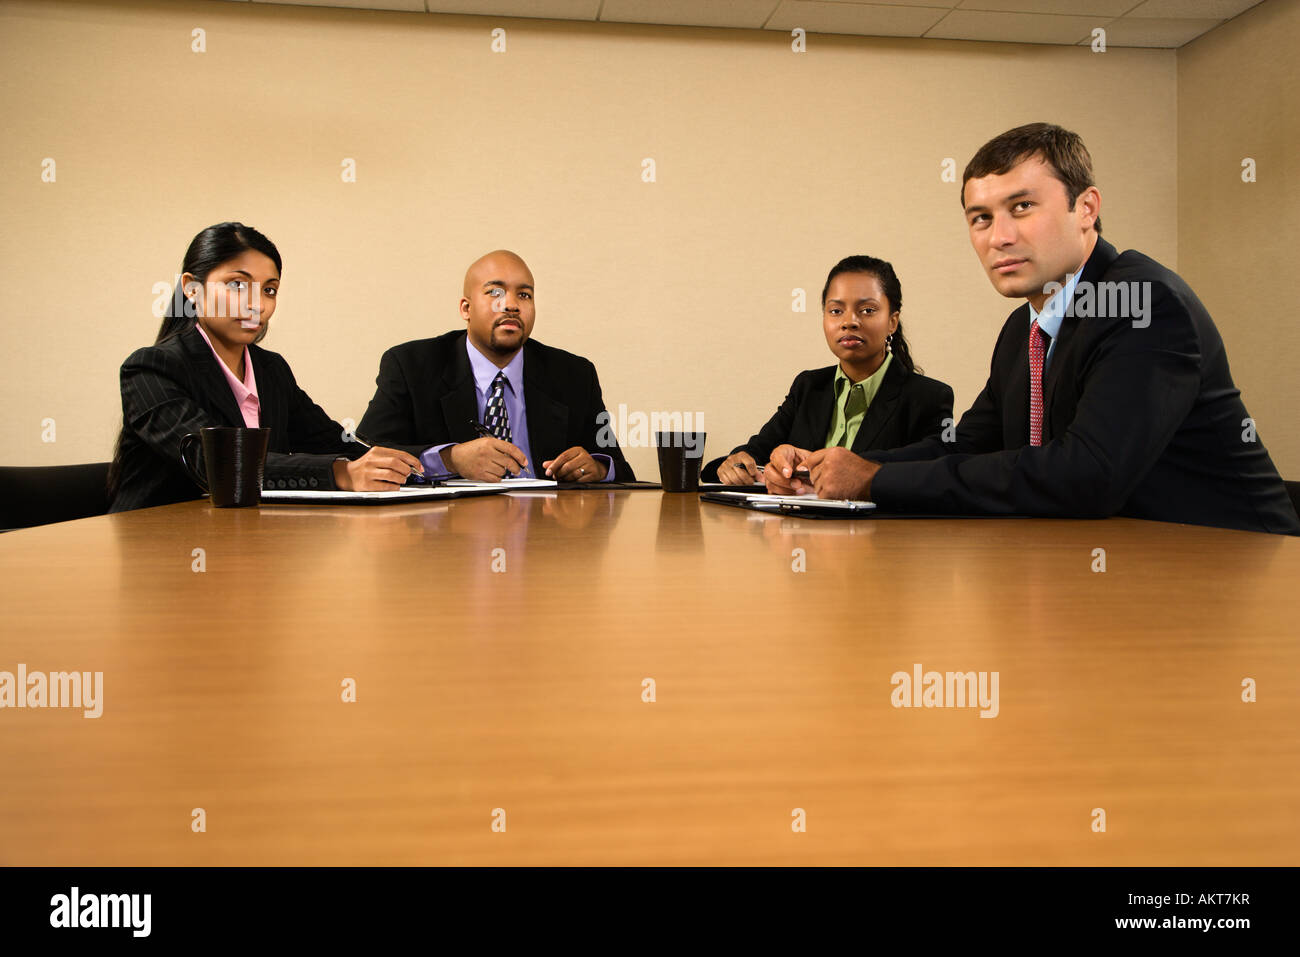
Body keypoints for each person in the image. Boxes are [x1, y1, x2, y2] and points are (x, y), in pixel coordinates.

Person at [767, 123, 1300, 536]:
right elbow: (970, 445)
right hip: (1118, 569)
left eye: (1021, 207)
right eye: (980, 218)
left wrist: (875, 480)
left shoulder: (1144, 303)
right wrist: (834, 469)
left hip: (1242, 571)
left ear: (1085, 209)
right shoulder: (1021, 330)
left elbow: (1086, 477)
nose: (999, 237)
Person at [108, 223, 422, 512]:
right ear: (191, 288)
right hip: (159, 548)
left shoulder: (270, 368)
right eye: (237, 285)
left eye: (269, 290)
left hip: (248, 541)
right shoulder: (151, 368)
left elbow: (330, 441)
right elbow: (216, 464)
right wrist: (340, 473)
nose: (257, 304)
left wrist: (425, 464)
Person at [357, 249, 635, 482]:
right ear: (466, 308)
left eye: (524, 295)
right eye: (495, 292)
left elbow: (619, 468)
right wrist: (449, 460)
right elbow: (370, 456)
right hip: (449, 534)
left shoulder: (574, 374)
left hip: (546, 532)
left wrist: (596, 469)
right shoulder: (411, 365)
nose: (511, 305)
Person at [703, 255, 952, 484]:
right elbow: (755, 453)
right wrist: (735, 465)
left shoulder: (929, 396)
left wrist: (853, 465)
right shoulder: (808, 387)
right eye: (836, 311)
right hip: (800, 529)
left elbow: (941, 459)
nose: (849, 322)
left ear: (892, 322)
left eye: (867, 310)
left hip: (880, 530)